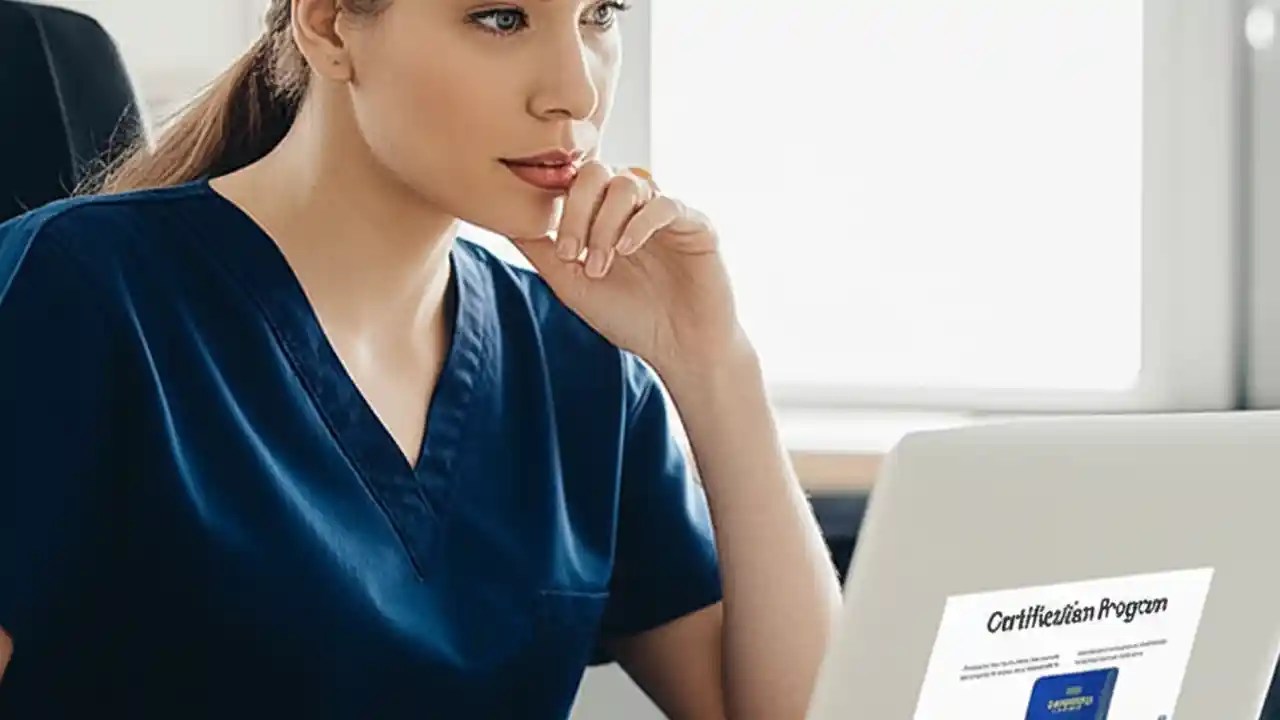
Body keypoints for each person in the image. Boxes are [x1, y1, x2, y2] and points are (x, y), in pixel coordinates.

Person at [0, 0, 841, 717]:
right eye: (501, 17)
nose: (577, 91)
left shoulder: (582, 367)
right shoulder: (80, 292)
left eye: (598, 17)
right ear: (329, 27)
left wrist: (714, 364)